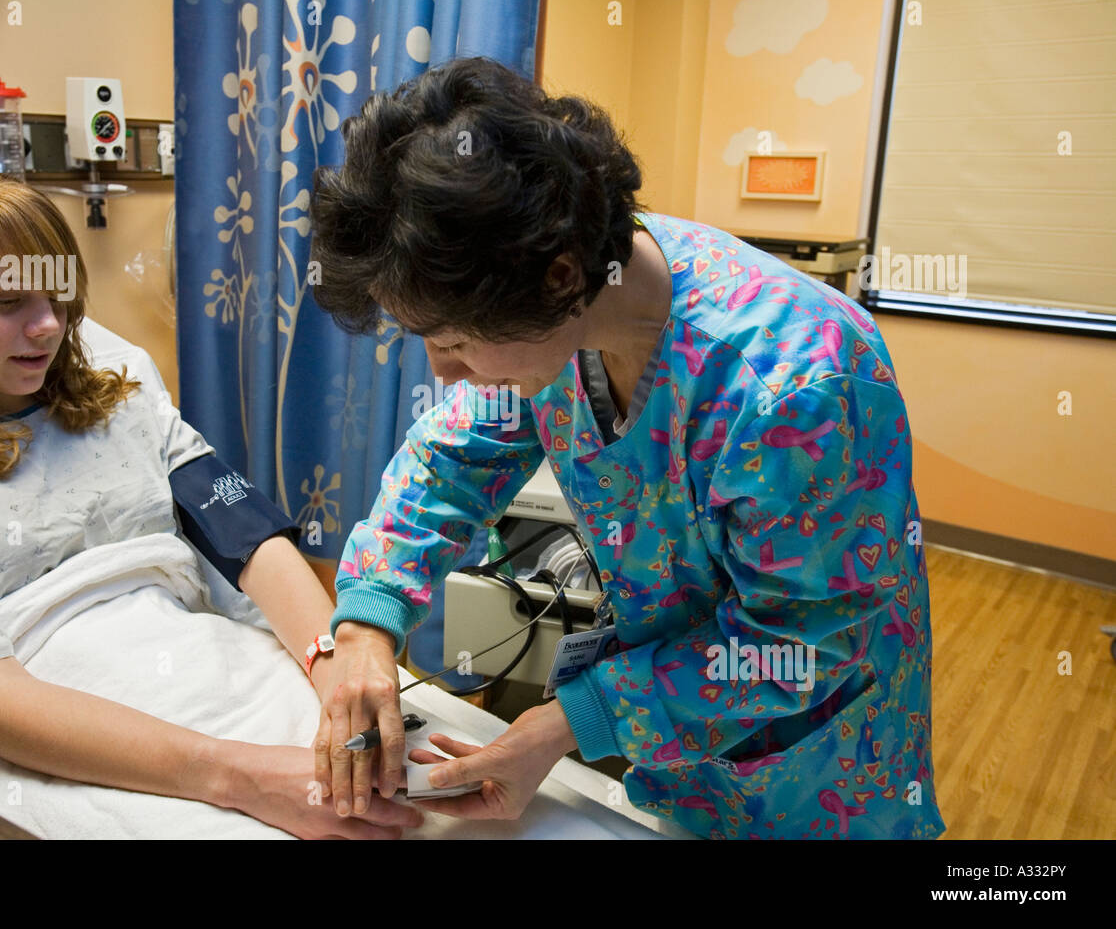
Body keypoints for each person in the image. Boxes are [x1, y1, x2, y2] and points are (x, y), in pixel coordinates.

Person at [306, 57, 946, 838]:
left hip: (818, 765)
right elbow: (450, 461)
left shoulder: (794, 388)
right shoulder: (571, 311)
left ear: (559, 278)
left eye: (457, 341)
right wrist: (369, 622)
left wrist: (561, 725)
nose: (443, 370)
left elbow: (798, 646)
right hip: (681, 747)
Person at [0, 168, 422, 840]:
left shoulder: (126, 411)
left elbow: (252, 540)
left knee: (408, 788)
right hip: (35, 739)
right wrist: (246, 778)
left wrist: (333, 674)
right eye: (8, 300)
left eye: (59, 293)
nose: (48, 325)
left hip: (207, 675)